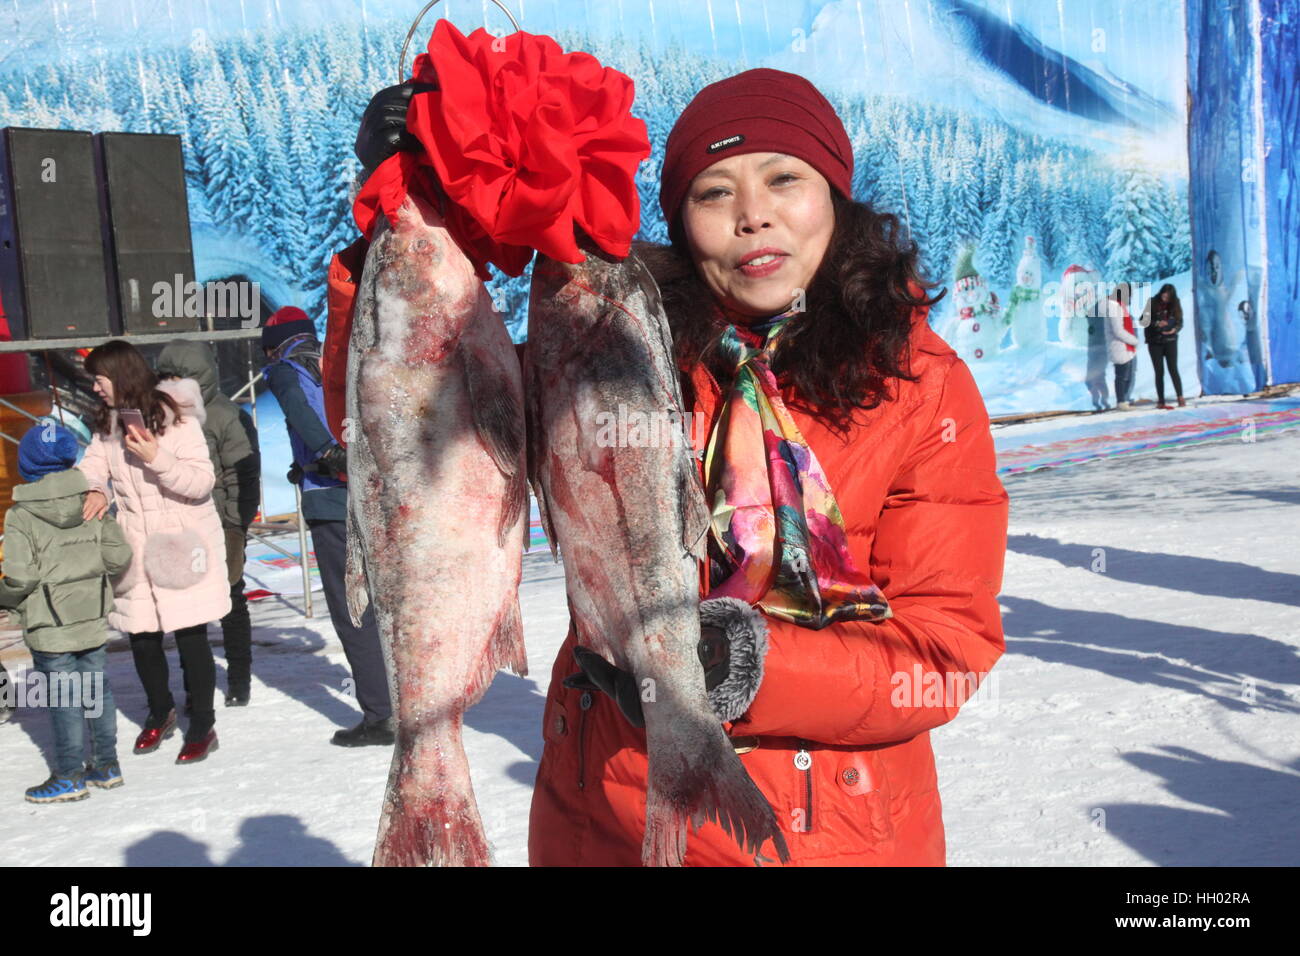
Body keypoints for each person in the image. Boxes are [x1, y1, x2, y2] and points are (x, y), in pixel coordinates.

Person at [357, 66, 1009, 865]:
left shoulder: (920, 388)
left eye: (784, 179)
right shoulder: (611, 348)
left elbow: (945, 656)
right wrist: (397, 223)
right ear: (681, 220)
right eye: (713, 193)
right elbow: (414, 427)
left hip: (822, 837)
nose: (752, 216)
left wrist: (757, 667)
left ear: (836, 199)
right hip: (606, 816)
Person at [79, 340, 229, 764]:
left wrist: (156, 457)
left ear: (121, 376)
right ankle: (160, 712)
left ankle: (202, 724)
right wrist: (93, 487)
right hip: (133, 542)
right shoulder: (108, 422)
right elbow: (92, 462)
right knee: (141, 636)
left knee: (190, 636)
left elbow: (201, 483)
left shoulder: (176, 419)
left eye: (100, 379)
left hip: (179, 542)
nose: (95, 388)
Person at [261, 306, 393, 747]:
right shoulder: (336, 362)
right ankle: (408, 702)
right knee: (384, 603)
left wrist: (326, 455)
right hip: (370, 494)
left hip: (331, 499)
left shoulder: (283, 369)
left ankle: (382, 716)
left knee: (352, 608)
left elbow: (303, 416)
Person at [0, 422, 133, 801]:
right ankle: (107, 766)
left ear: (26, 463)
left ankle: (69, 775)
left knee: (63, 698)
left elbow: (20, 578)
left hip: (49, 623)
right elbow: (119, 555)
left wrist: (4, 597)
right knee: (95, 688)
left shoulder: (21, 514)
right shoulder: (92, 501)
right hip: (91, 614)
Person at [156, 340, 261, 706]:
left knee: (231, 599)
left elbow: (245, 471)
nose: (170, 383)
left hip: (222, 522)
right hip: (179, 526)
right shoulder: (160, 416)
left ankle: (239, 681)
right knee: (187, 607)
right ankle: (195, 688)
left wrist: (237, 522)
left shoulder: (223, 415)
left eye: (177, 376)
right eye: (165, 375)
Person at [1139, 283, 1185, 409]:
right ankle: (1161, 400)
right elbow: (1143, 320)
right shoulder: (1152, 302)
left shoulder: (1176, 304)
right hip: (1155, 341)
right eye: (1164, 296)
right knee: (1159, 371)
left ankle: (1180, 396)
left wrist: (1174, 329)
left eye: (1168, 297)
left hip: (1170, 340)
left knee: (1173, 369)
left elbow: (1180, 322)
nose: (1165, 299)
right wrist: (1157, 323)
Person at [1104, 283, 1140, 409]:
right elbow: (1118, 330)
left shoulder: (1121, 306)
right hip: (1119, 346)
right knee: (1121, 375)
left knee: (1128, 374)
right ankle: (1121, 401)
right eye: (1129, 294)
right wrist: (1133, 340)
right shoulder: (1114, 306)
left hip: (1126, 346)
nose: (1130, 297)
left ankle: (1124, 399)